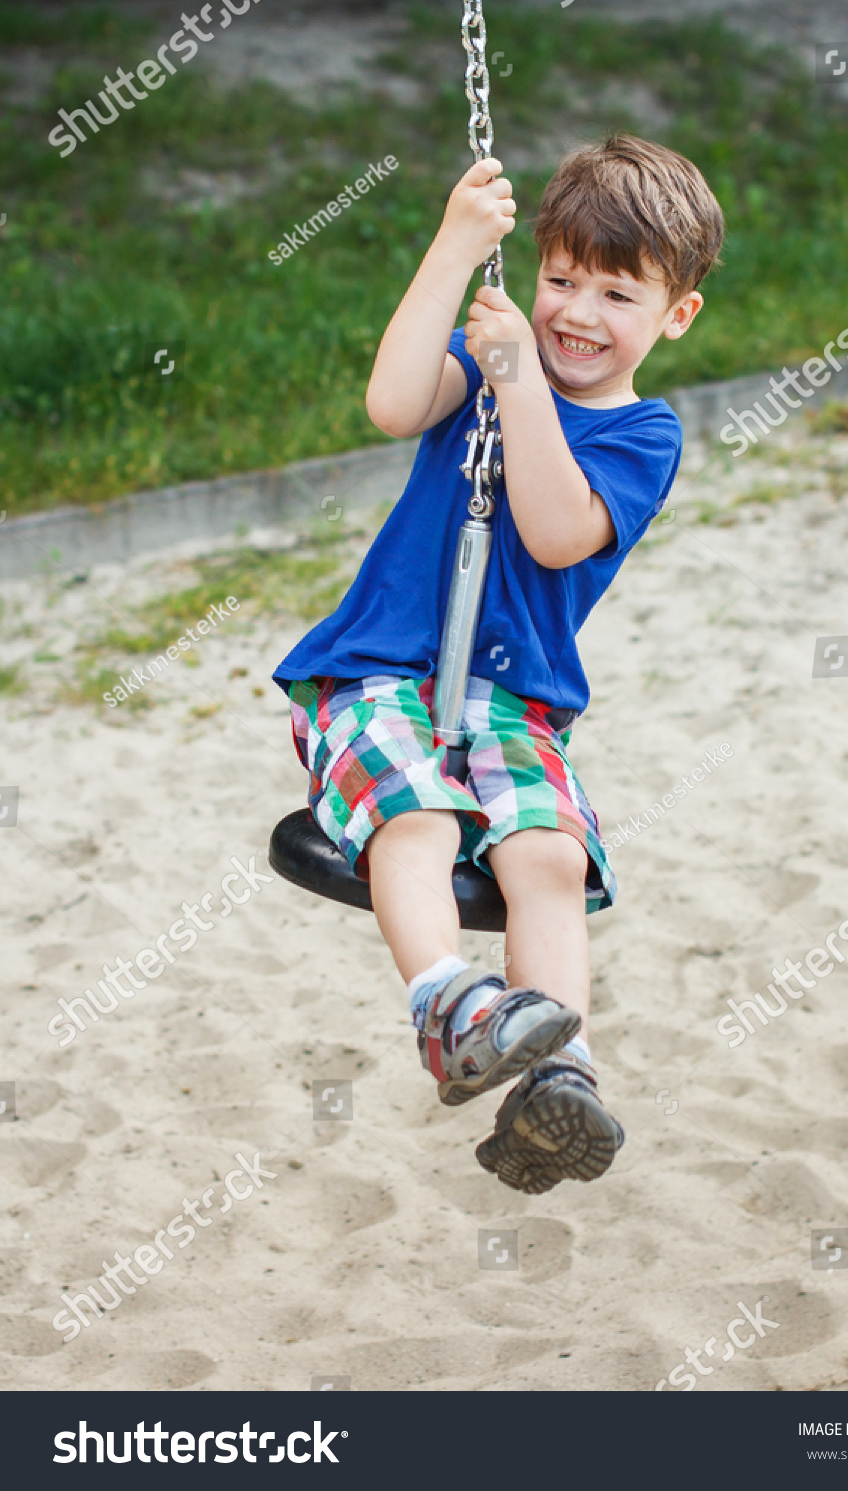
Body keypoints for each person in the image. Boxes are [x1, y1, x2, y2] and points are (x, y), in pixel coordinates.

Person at [273, 134, 723, 1192]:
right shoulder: (484, 364)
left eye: (617, 294)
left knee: (548, 857)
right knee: (419, 817)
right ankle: (450, 1004)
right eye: (559, 279)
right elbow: (392, 403)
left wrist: (517, 377)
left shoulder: (643, 436)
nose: (576, 312)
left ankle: (560, 1076)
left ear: (676, 315)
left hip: (516, 702)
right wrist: (454, 246)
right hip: (378, 672)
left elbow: (555, 528)